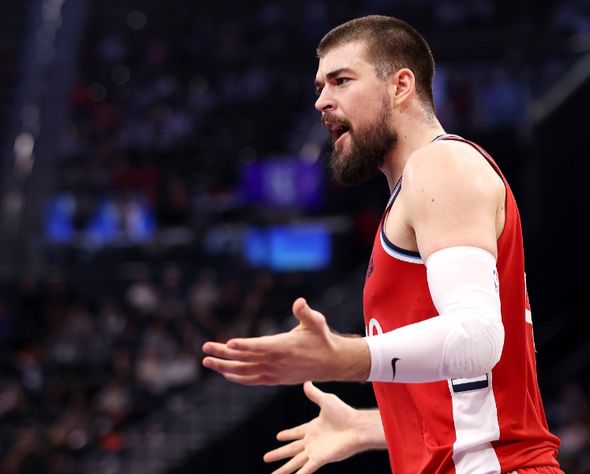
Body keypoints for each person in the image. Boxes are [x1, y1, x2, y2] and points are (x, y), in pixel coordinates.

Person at [202, 15, 562, 474]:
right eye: (320, 87)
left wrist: (345, 360)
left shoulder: (441, 164)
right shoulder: (415, 193)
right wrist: (369, 426)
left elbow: (478, 337)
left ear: (400, 86)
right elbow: (469, 391)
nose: (321, 101)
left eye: (341, 80)